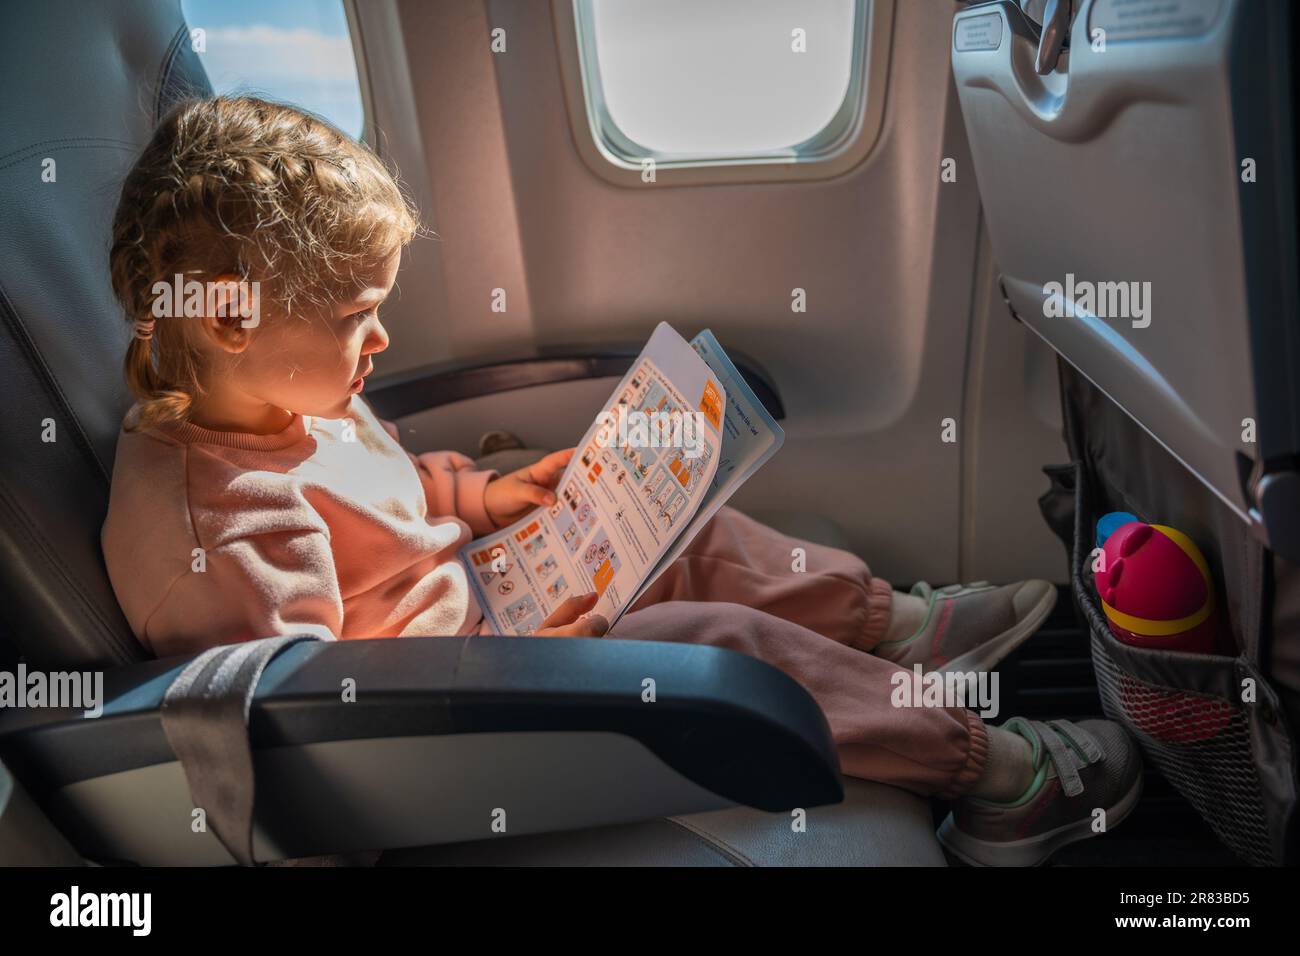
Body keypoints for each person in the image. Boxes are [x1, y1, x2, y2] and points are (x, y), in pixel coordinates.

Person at [102, 96, 1141, 866]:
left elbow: (389, 490)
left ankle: (890, 627)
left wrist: (479, 497)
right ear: (231, 317)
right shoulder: (218, 528)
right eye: (354, 316)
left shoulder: (288, 402)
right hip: (459, 702)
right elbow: (303, 712)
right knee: (710, 646)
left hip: (486, 600)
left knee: (679, 533)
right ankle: (992, 775)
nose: (380, 337)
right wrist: (522, 672)